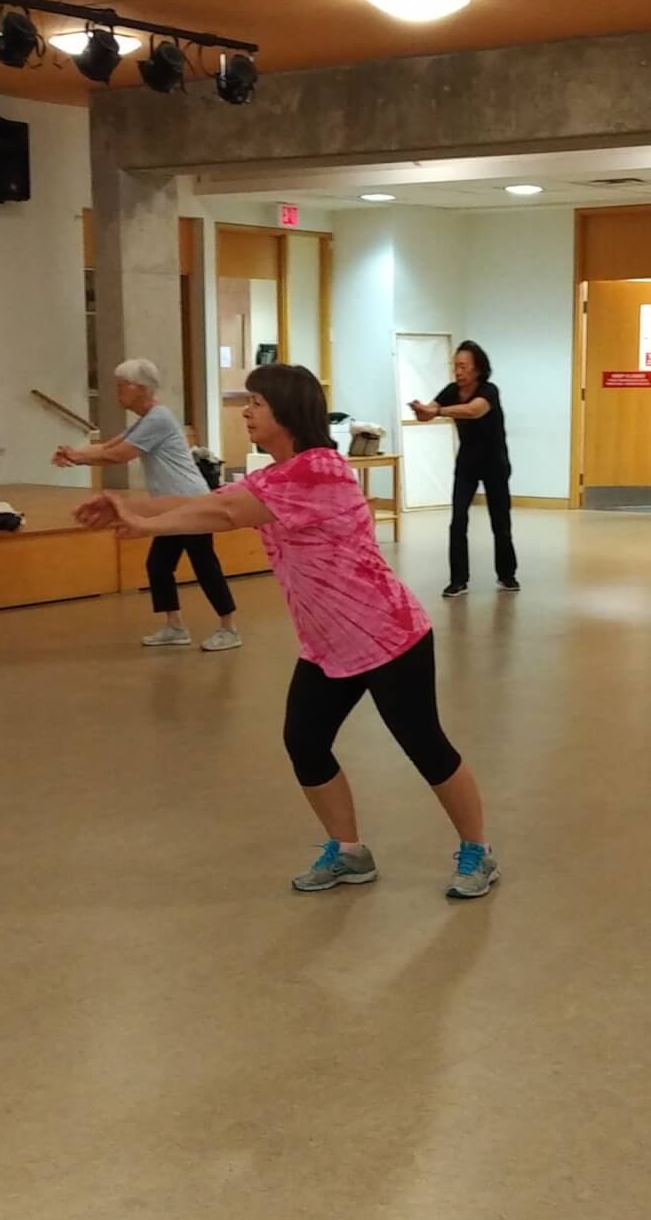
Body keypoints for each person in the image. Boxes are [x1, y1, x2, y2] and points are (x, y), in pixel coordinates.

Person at [76, 363, 499, 899]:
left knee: (425, 747)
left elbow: (224, 514)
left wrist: (142, 523)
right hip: (327, 644)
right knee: (305, 742)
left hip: (388, 635)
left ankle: (477, 852)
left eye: (257, 402)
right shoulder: (277, 476)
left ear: (288, 411)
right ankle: (348, 852)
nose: (247, 411)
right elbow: (206, 501)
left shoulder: (320, 470)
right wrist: (128, 507)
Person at [55, 358, 241, 653]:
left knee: (204, 564)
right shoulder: (146, 421)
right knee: (159, 565)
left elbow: (120, 456)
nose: (117, 391)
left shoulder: (159, 418)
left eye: (121, 386)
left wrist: (77, 457)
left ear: (140, 389)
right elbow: (107, 448)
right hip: (168, 507)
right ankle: (175, 627)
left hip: (191, 501)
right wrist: (74, 453)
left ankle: (229, 628)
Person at [408, 341, 518, 599]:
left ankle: (507, 574)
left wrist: (436, 411)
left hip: (495, 462)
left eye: (463, 366)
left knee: (500, 521)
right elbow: (428, 412)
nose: (458, 372)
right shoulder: (451, 391)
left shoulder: (489, 390)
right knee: (458, 520)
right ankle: (458, 580)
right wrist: (421, 410)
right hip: (467, 461)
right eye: (455, 366)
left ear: (477, 369)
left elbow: (473, 411)